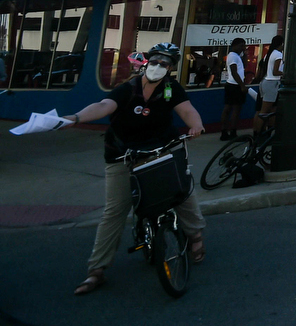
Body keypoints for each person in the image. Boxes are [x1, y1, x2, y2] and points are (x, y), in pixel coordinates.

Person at [63, 43, 206, 295]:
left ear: (170, 68)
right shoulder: (128, 88)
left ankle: (195, 237)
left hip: (160, 149)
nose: (158, 66)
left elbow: (187, 110)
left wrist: (196, 126)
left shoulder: (171, 89)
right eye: (155, 61)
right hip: (123, 153)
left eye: (165, 63)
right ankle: (96, 270)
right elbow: (104, 106)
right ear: (147, 62)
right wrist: (75, 118)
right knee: (115, 211)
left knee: (181, 190)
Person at [253, 34, 284, 135]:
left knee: (268, 110)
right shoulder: (278, 54)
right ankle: (259, 134)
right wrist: (285, 73)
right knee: (265, 111)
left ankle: (263, 132)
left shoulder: (269, 54)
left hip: (265, 81)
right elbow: (275, 72)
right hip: (272, 83)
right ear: (281, 44)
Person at [219, 37, 247, 140]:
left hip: (233, 85)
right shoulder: (233, 56)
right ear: (234, 46)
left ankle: (226, 131)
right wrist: (242, 85)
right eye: (241, 46)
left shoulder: (236, 56)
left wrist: (245, 54)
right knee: (235, 109)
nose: (242, 48)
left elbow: (244, 66)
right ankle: (231, 132)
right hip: (234, 85)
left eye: (244, 46)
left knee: (230, 108)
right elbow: (234, 72)